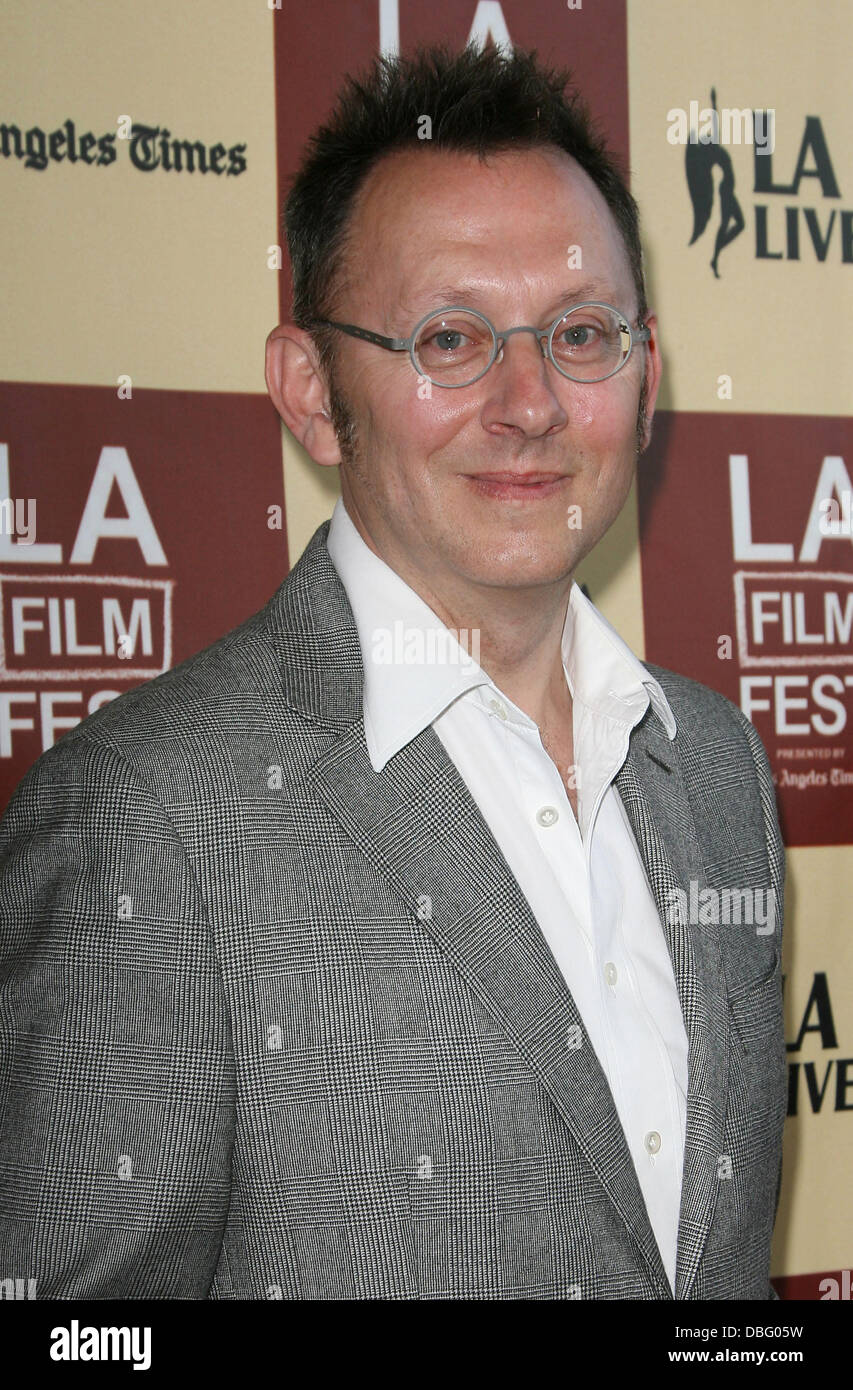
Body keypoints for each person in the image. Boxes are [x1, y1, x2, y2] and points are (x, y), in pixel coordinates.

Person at [0, 44, 786, 1300]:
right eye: (451, 338)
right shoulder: (144, 820)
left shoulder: (716, 766)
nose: (529, 403)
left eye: (581, 333)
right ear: (311, 393)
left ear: (646, 379)